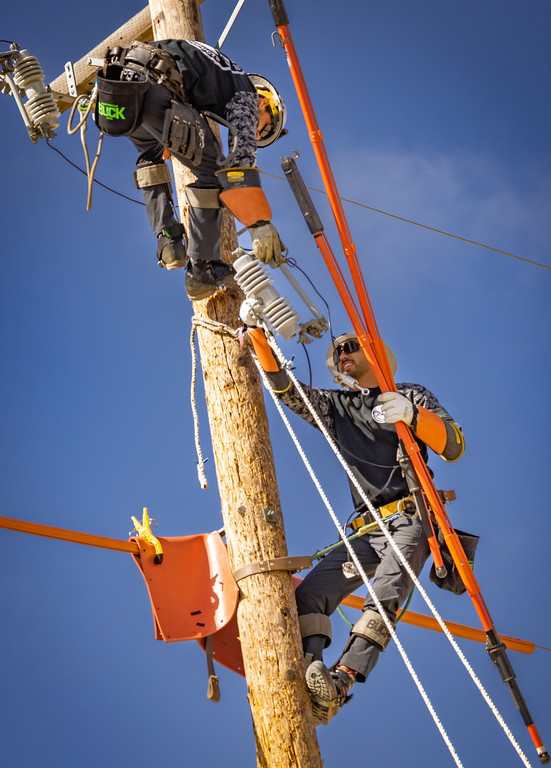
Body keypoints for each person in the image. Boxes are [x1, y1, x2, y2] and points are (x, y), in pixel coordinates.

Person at [246, 328, 465, 725]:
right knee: (308, 595)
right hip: (367, 531)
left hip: (410, 520)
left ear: (375, 351)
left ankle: (343, 678)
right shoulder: (337, 408)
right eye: (337, 352)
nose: (342, 355)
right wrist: (257, 336)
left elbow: (453, 445)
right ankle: (315, 674)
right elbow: (285, 388)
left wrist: (412, 415)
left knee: (385, 592)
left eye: (350, 347)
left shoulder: (409, 394)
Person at [94, 39, 285, 300]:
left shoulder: (220, 69)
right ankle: (202, 271)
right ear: (266, 104)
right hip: (155, 87)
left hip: (121, 88)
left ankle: (168, 241)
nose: (257, 132)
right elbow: (240, 157)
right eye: (263, 128)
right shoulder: (248, 95)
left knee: (149, 157)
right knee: (215, 174)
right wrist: (258, 223)